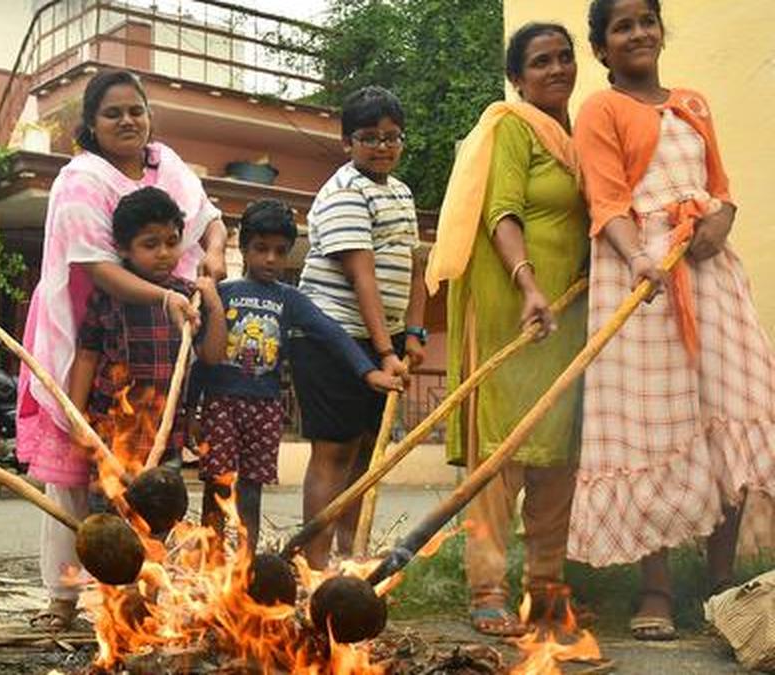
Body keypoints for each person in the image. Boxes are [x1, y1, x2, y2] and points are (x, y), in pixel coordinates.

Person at [568, 0, 775, 641]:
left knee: (731, 409)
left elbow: (722, 185)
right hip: (642, 283)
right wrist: (641, 261)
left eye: (646, 21)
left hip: (711, 276)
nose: (638, 33)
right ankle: (655, 589)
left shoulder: (693, 101)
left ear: (661, 29)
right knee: (653, 427)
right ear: (602, 49)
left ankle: (723, 589)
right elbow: (606, 201)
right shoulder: (599, 110)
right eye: (622, 27)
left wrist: (721, 218)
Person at [17, 69, 227, 630]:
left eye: (135, 109)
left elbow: (210, 222)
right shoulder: (79, 178)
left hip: (166, 365)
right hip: (94, 338)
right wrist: (167, 296)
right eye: (113, 113)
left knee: (154, 497)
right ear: (91, 123)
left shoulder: (167, 163)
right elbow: (96, 269)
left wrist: (213, 261)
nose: (127, 121)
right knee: (74, 485)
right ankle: (63, 599)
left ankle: (141, 603)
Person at [426, 23, 589, 636]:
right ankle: (488, 588)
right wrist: (528, 284)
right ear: (517, 79)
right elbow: (501, 211)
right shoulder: (511, 126)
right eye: (541, 62)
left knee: (557, 452)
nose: (556, 69)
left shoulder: (576, 139)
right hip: (513, 308)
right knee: (503, 452)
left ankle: (546, 587)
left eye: (564, 58)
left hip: (568, 315)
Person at [189, 200, 399, 552]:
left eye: (280, 251)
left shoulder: (291, 300)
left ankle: (246, 565)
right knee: (217, 485)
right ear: (243, 247)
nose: (270, 258)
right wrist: (189, 412)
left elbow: (332, 333)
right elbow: (200, 361)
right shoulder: (220, 294)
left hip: (265, 409)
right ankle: (210, 568)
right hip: (220, 405)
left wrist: (368, 372)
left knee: (251, 488)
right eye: (260, 249)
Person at [292, 86, 424, 569]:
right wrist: (386, 352)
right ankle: (316, 565)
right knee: (335, 450)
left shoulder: (402, 192)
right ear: (347, 142)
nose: (383, 147)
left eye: (393, 137)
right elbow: (361, 274)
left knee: (367, 452)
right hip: (332, 337)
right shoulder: (343, 191)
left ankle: (353, 556)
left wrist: (414, 334)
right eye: (370, 138)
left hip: (380, 339)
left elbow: (413, 266)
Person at [69, 186, 226, 475]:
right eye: (150, 245)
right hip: (111, 435)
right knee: (110, 516)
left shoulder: (190, 296)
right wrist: (76, 418)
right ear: (122, 248)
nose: (164, 253)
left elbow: (212, 356)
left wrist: (214, 305)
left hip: (166, 436)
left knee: (161, 515)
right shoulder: (109, 293)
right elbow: (87, 356)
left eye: (172, 242)